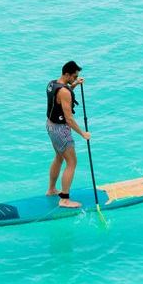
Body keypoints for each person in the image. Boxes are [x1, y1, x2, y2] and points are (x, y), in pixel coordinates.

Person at [46, 61, 90, 208]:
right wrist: (82, 133)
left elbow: (63, 93)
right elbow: (69, 119)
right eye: (74, 76)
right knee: (72, 162)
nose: (75, 78)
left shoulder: (53, 84)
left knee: (59, 157)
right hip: (61, 130)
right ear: (67, 74)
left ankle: (52, 189)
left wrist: (75, 84)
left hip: (50, 126)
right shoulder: (64, 92)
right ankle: (64, 199)